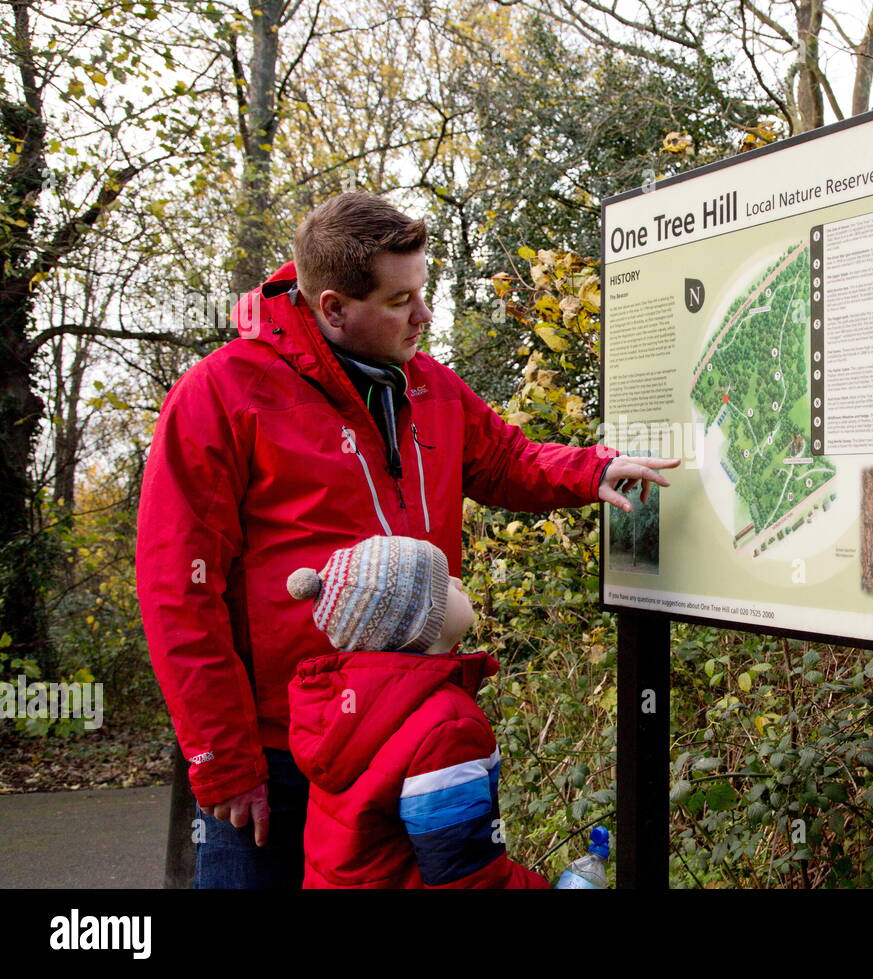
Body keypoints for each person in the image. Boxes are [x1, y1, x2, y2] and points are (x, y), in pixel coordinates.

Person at [135, 191, 678, 887]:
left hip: (407, 735)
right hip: (279, 753)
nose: (424, 316)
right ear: (333, 307)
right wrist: (223, 758)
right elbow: (179, 587)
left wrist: (595, 467)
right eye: (401, 301)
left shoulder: (428, 385)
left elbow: (504, 461)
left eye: (423, 292)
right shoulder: (224, 393)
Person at [284, 534, 548, 888]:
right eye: (443, 583)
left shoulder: (337, 704)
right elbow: (467, 878)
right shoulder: (447, 725)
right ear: (425, 623)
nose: (457, 581)